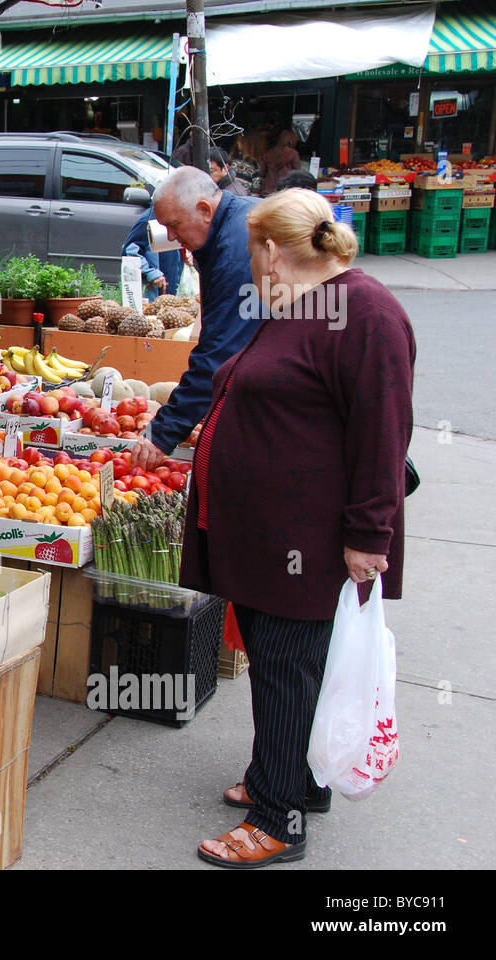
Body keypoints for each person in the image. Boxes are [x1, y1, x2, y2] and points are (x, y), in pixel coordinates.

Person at [185, 188, 415, 868]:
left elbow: (383, 433)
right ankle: (291, 779)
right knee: (286, 665)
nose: (249, 265)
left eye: (252, 252)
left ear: (273, 250)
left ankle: (278, 818)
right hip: (268, 537)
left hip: (307, 541)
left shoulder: (366, 313)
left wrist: (370, 538)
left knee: (286, 667)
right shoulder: (299, 306)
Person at [128, 167, 260, 470]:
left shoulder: (235, 254)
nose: (171, 237)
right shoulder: (232, 223)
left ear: (203, 210)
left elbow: (220, 353)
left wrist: (163, 433)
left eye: (174, 226)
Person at [122, 206, 183, 301]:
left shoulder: (173, 217)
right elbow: (129, 251)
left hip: (171, 294)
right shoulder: (148, 220)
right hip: (153, 296)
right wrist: (151, 273)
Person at [261, 129, 303, 195]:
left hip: (268, 190)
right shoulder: (293, 154)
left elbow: (262, 173)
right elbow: (298, 174)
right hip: (285, 190)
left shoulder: (267, 154)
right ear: (292, 140)